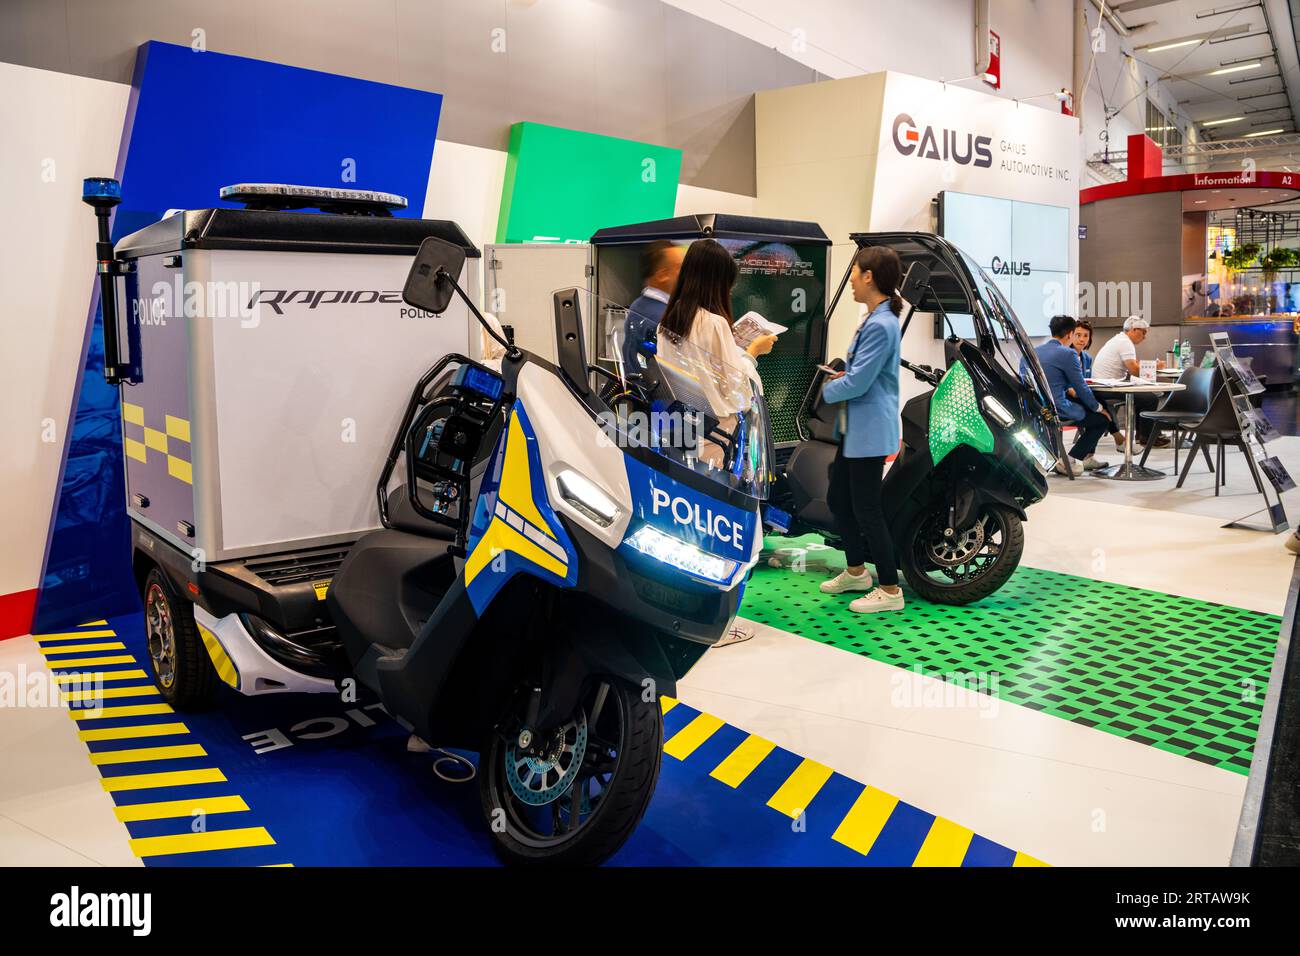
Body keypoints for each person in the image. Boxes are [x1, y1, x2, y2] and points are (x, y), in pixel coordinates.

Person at [817, 245, 905, 614]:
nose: (851, 279)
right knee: (839, 499)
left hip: (869, 432)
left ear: (869, 275)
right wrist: (844, 377)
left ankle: (889, 589)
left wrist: (828, 387)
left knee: (867, 509)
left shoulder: (882, 324)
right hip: (857, 430)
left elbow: (859, 383)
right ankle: (855, 571)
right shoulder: (875, 318)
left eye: (854, 271)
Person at [657, 238, 775, 417]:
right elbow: (734, 388)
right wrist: (753, 352)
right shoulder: (714, 324)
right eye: (727, 284)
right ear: (715, 283)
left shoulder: (666, 323)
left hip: (680, 422)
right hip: (714, 429)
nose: (729, 291)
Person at [1036, 314, 1112, 476]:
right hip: (1058, 409)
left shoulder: (1033, 352)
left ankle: (1073, 458)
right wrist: (1098, 408)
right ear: (1070, 334)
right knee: (1102, 419)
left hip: (1036, 408)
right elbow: (1081, 387)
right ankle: (1069, 459)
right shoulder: (1068, 354)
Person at [1092, 315, 1167, 447]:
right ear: (1134, 329)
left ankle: (1142, 434)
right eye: (1143, 333)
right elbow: (1135, 370)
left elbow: (1133, 364)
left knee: (1145, 396)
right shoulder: (1125, 342)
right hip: (1107, 387)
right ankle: (1146, 436)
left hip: (1104, 385)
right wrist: (1156, 366)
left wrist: (1149, 365)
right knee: (1150, 399)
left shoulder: (1119, 339)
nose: (1144, 337)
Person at [619, 240, 684, 375]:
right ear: (662, 275)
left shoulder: (639, 305)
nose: (687, 275)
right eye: (681, 268)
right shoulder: (663, 317)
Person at [1070, 319, 1126, 453]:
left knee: (1100, 403)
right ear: (1070, 335)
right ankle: (1118, 436)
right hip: (1069, 396)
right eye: (1078, 335)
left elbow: (1086, 380)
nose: (1082, 339)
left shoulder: (1087, 357)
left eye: (1086, 336)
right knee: (1100, 408)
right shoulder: (1066, 355)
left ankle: (1091, 455)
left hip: (1083, 395)